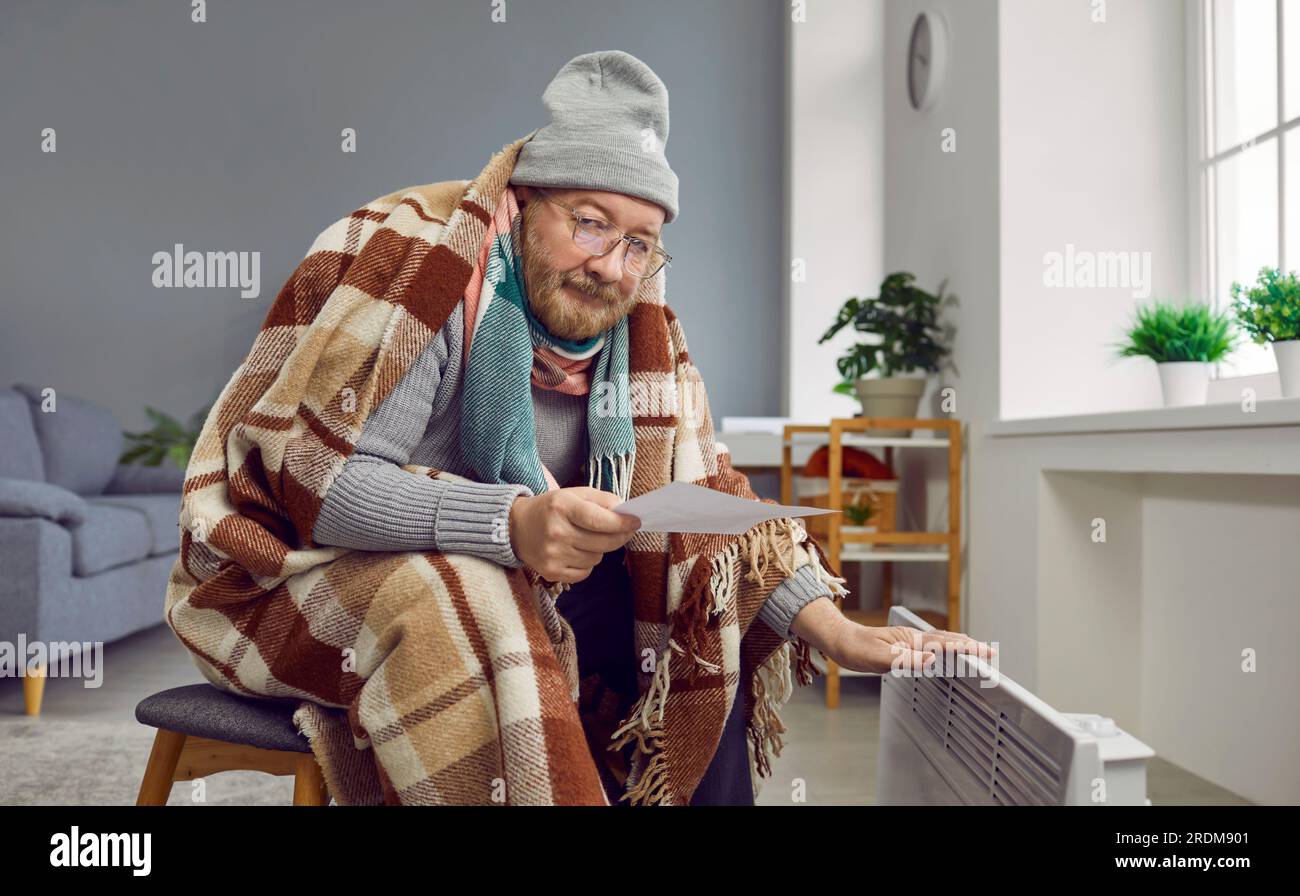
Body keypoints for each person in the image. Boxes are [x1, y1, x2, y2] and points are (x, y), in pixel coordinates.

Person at [309, 49, 992, 804]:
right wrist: (511, 522)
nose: (610, 266)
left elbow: (713, 499)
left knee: (691, 606)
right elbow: (327, 487)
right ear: (526, 204)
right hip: (381, 583)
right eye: (590, 224)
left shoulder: (645, 337)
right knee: (477, 599)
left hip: (550, 588)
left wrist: (837, 631)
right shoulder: (434, 291)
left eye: (638, 243)